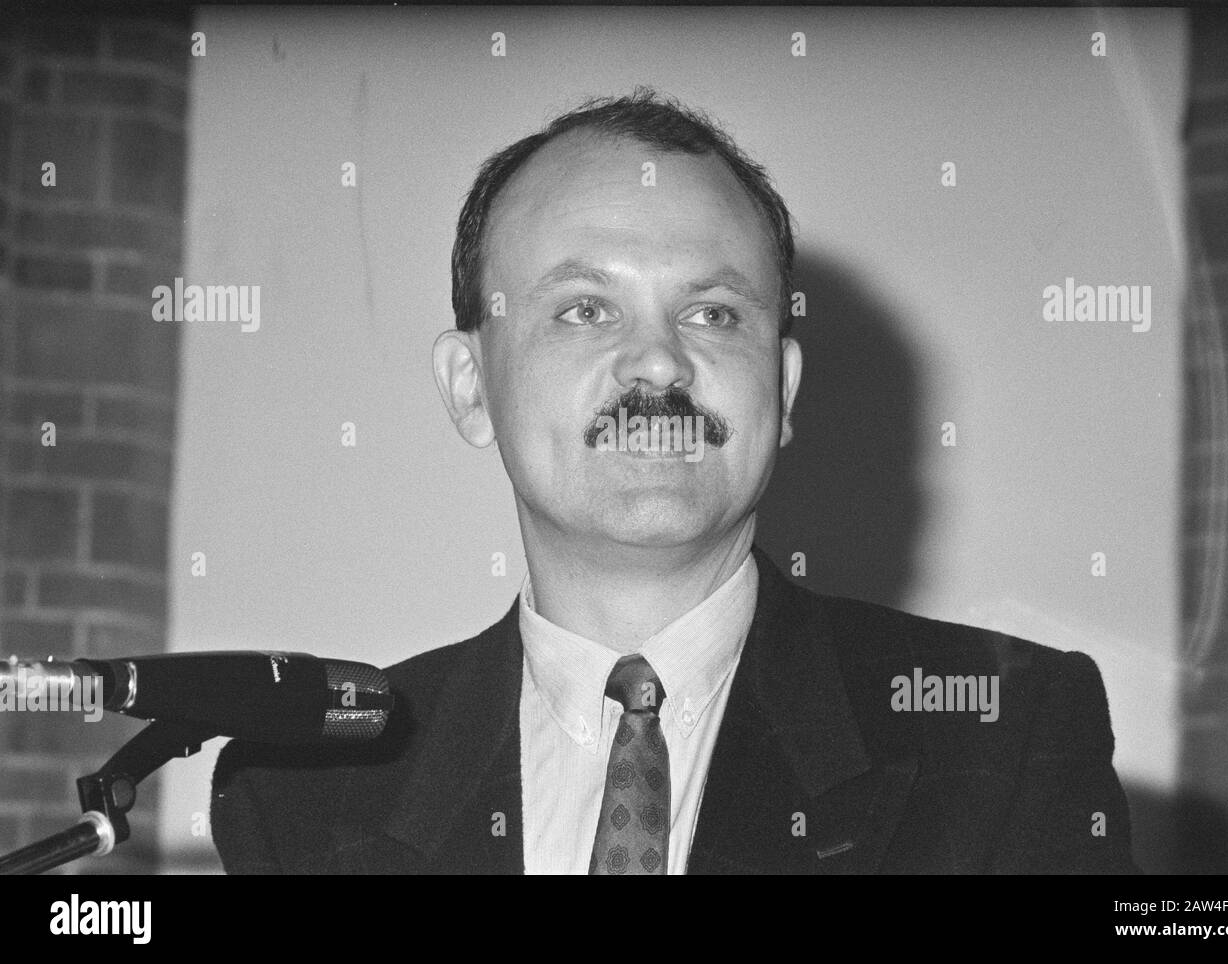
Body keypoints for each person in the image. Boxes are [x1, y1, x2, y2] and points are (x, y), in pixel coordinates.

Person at [211, 88, 1139, 874]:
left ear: (780, 389)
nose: (657, 363)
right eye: (585, 309)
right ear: (471, 387)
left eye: (713, 311)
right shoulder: (303, 785)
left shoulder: (1002, 737)